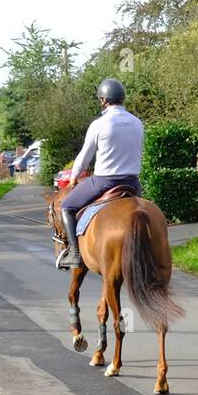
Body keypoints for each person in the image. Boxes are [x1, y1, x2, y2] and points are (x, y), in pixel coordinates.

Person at [57, 77, 144, 268]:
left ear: (103, 100)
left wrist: (73, 177)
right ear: (122, 98)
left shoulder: (99, 124)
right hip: (133, 183)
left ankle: (74, 252)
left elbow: (84, 157)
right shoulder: (137, 123)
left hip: (105, 181)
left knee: (67, 206)